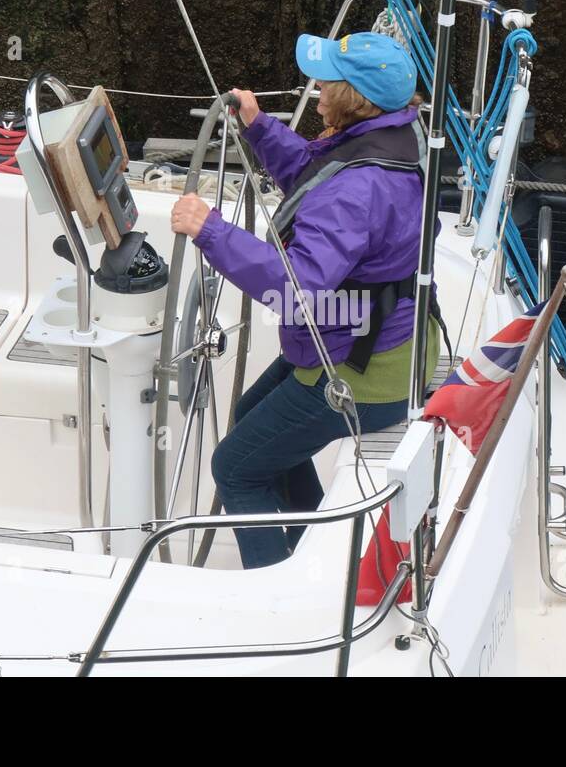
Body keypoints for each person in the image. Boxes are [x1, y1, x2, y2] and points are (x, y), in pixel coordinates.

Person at [169, 32, 440, 568]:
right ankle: (313, 546)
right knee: (249, 414)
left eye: (326, 81)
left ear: (350, 98)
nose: (316, 88)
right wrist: (261, 128)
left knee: (237, 469)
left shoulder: (358, 191)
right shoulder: (386, 137)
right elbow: (318, 178)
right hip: (385, 339)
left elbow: (296, 294)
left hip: (366, 370)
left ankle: (275, 588)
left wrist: (211, 231)